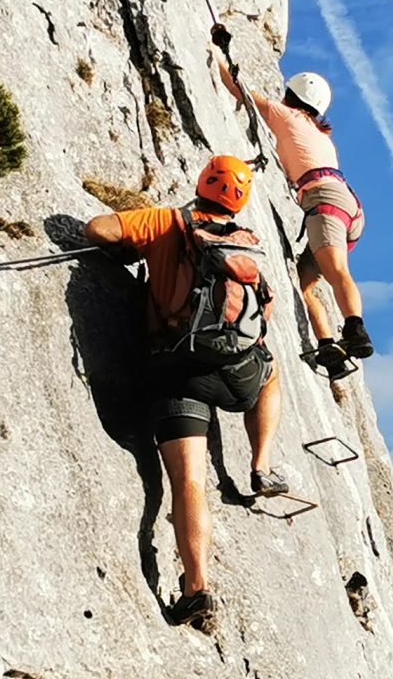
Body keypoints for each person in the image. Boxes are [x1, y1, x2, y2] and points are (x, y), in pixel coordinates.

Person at [83, 155, 289, 634]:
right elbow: (268, 310)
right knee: (272, 374)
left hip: (178, 371)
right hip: (237, 371)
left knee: (188, 483)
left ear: (201, 183)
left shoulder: (169, 221)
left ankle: (196, 590)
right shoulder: (245, 243)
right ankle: (261, 465)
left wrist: (141, 255)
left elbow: (98, 229)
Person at [210, 26, 374, 377]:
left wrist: (217, 51)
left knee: (336, 272)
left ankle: (355, 329)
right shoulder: (321, 135)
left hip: (323, 200)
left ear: (290, 95)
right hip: (346, 207)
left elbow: (240, 92)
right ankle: (329, 346)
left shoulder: (287, 116)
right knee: (307, 282)